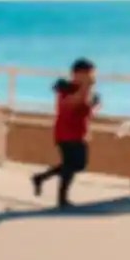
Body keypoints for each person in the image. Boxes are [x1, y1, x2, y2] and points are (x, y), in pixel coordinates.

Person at [32, 59, 98, 209]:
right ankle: (62, 199)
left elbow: (85, 111)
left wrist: (93, 104)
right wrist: (86, 88)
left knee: (79, 164)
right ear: (77, 74)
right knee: (70, 164)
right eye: (88, 73)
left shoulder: (86, 91)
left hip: (79, 132)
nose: (91, 77)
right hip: (66, 132)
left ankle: (41, 178)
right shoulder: (65, 87)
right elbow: (70, 104)